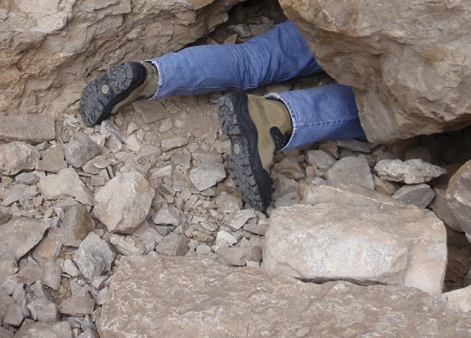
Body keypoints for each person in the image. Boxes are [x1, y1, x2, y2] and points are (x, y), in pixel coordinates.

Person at [79, 21, 365, 210]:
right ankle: (273, 117)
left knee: (253, 60)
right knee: (370, 105)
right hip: (395, 33)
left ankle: (151, 76)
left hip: (344, 4)